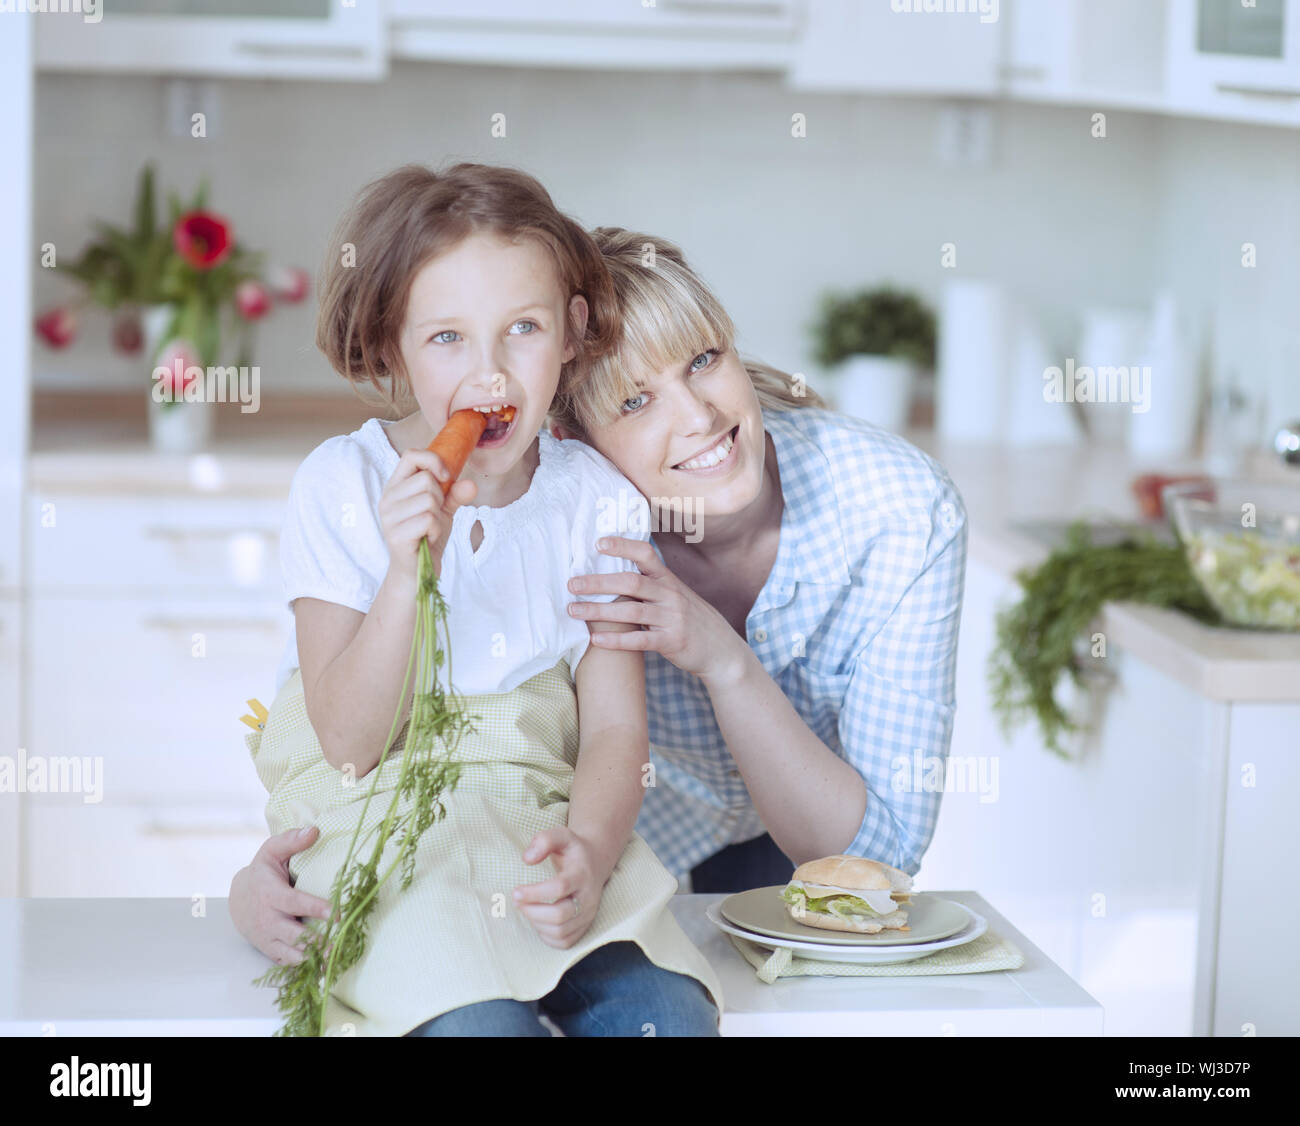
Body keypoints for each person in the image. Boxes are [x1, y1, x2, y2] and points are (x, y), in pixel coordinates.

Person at [232, 218, 968, 989]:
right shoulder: (561, 509)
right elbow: (342, 730)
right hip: (594, 847)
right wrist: (264, 875)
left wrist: (722, 659)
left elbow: (875, 857)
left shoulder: (898, 511)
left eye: (706, 360)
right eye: (635, 403)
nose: (698, 418)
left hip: (781, 834)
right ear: (562, 436)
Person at [241, 163, 722, 1037]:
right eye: (447, 339)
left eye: (523, 329)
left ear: (574, 333)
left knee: (668, 1015)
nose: (489, 370)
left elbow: (615, 729)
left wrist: (590, 852)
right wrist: (405, 573)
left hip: (541, 833)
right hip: (386, 842)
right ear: (391, 346)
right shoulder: (342, 486)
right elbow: (350, 746)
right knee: (478, 1028)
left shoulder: (597, 501)